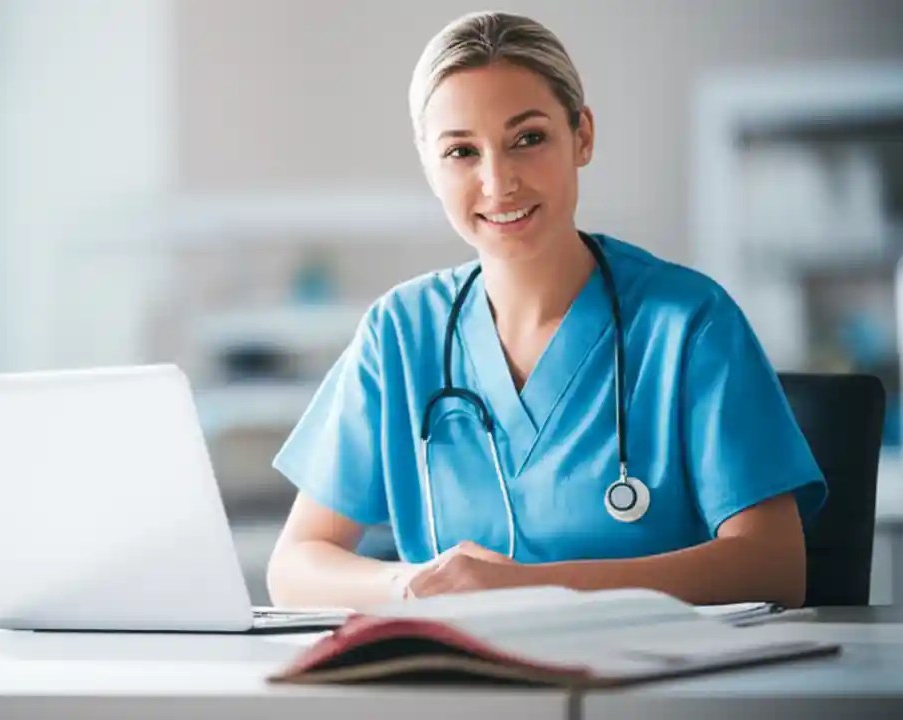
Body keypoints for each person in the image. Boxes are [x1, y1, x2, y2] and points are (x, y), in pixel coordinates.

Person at [265, 11, 825, 610]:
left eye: (527, 139)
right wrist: (410, 583)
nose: (498, 181)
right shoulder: (399, 334)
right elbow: (296, 564)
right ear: (430, 165)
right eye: (461, 152)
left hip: (652, 688)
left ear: (582, 134)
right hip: (465, 687)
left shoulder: (689, 324)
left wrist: (529, 588)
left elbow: (773, 566)